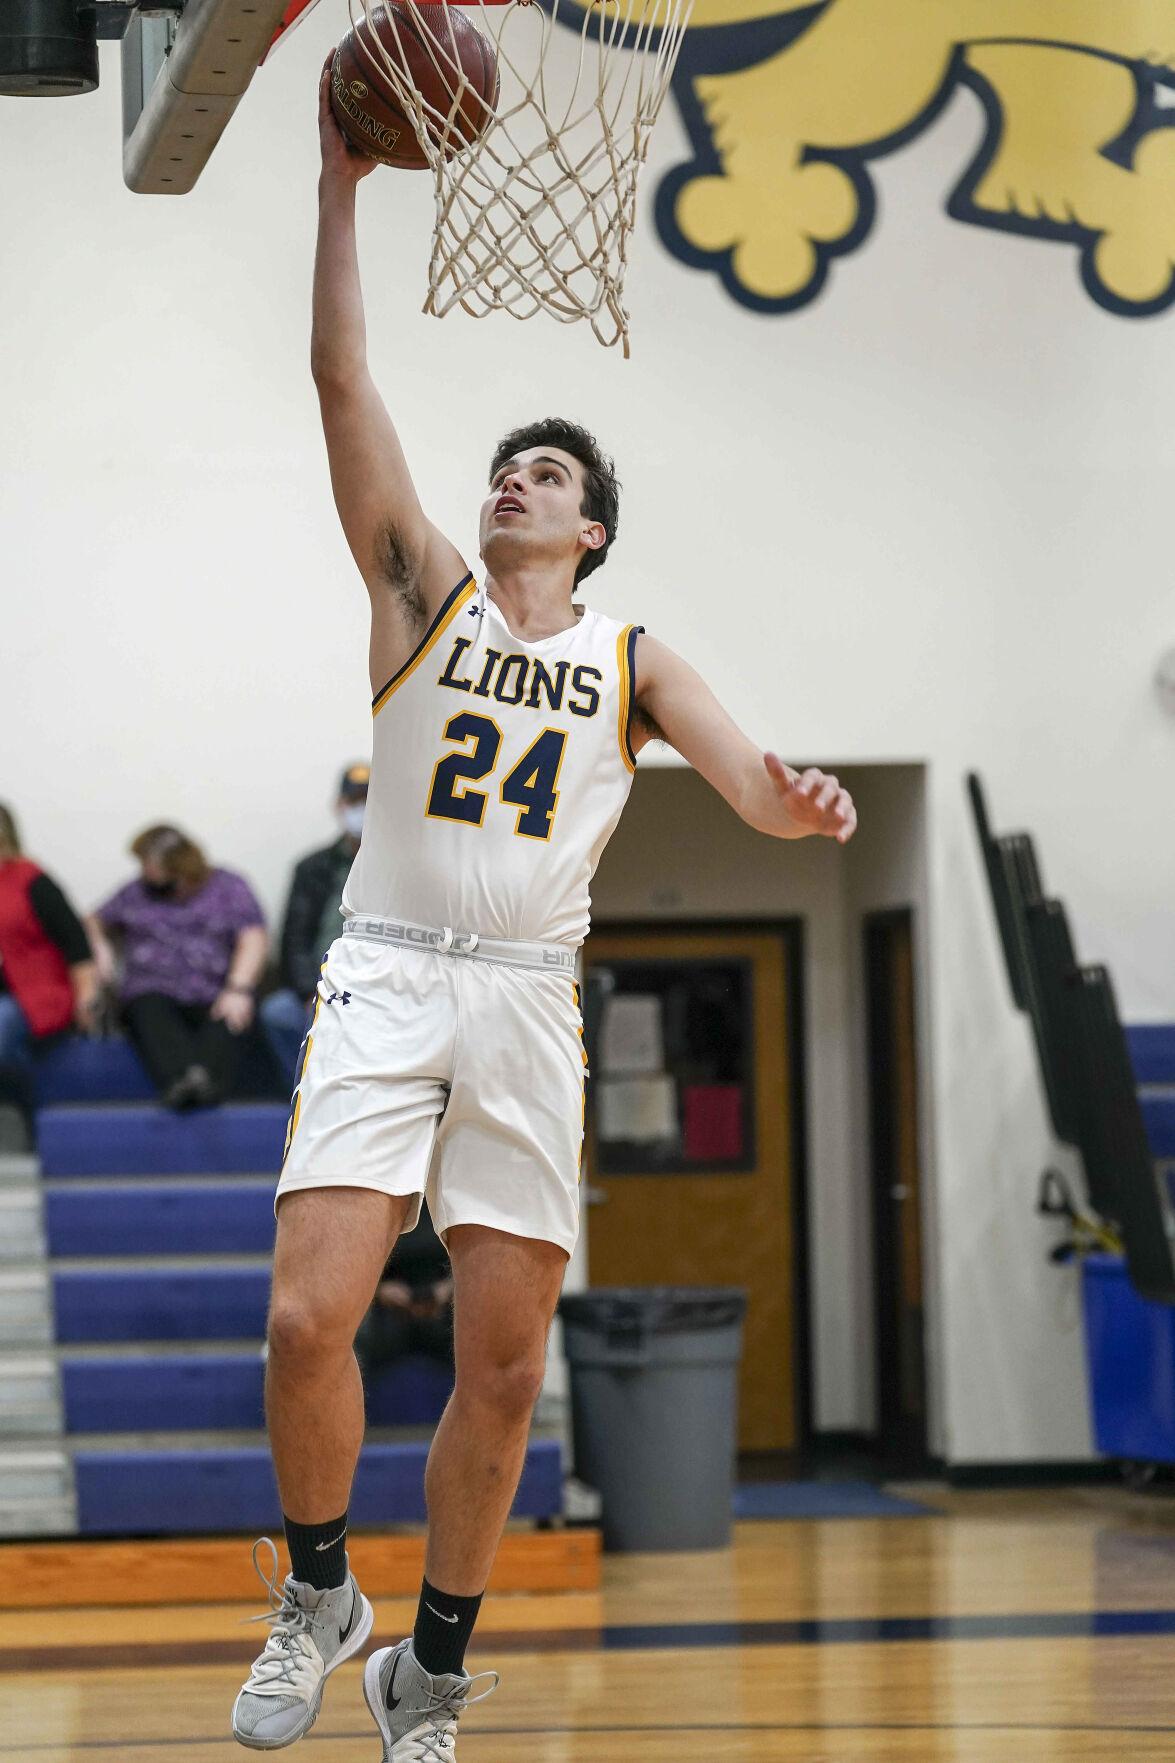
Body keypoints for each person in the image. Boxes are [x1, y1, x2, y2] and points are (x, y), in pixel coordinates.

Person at [230, 61, 859, 1760]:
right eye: (504, 463)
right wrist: (340, 182)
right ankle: (315, 1589)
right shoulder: (424, 590)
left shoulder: (630, 657)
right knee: (308, 1312)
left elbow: (741, 778)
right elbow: (339, 376)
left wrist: (792, 807)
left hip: (523, 993)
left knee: (504, 1368)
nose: (514, 478)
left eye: (546, 473)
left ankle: (427, 1661)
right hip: (386, 968)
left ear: (589, 529)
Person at [88, 825, 269, 1111]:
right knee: (147, 1008)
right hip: (153, 991)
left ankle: (197, 1083)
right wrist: (100, 948)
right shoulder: (136, 892)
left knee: (230, 1018)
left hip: (216, 990)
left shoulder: (229, 886)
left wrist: (239, 988)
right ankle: (189, 1081)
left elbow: (253, 938)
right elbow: (93, 920)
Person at [259, 764, 370, 1085]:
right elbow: (294, 939)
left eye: (368, 800)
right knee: (278, 1013)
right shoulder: (312, 867)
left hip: (378, 982)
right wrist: (310, 988)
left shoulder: (402, 864)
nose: (360, 810)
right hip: (320, 982)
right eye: (354, 801)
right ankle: (301, 1095)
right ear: (339, 806)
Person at [0, 804, 99, 1105]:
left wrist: (88, 998)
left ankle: (31, 1103)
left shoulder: (33, 881)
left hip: (37, 991)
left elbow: (76, 943)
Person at [354, 1203, 455, 1390]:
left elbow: (477, 1264)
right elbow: (353, 1268)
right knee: (347, 1339)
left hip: (443, 1309)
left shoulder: (451, 1202)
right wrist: (380, 1290)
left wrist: (449, 1288)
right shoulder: (379, 1206)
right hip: (388, 1312)